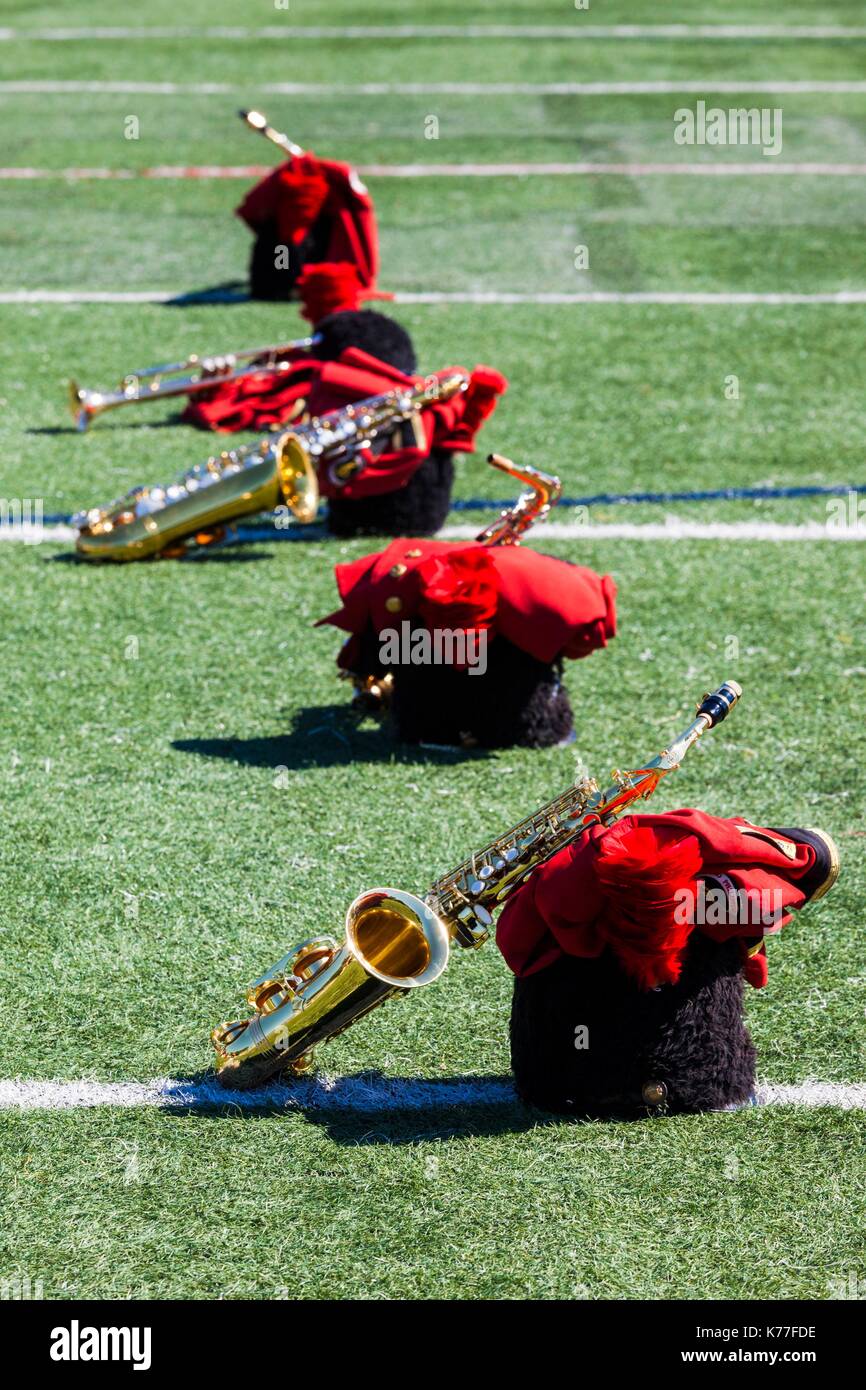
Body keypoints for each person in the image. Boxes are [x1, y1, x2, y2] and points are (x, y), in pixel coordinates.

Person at [496, 810, 839, 1116]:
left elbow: (521, 939)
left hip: (557, 1081)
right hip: (701, 1082)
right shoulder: (723, 898)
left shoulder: (557, 892)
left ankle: (585, 1073)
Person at [317, 539, 616, 747]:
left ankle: (440, 722)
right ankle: (461, 721)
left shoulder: (555, 600)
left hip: (411, 588)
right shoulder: (563, 600)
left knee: (470, 653)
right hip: (420, 592)